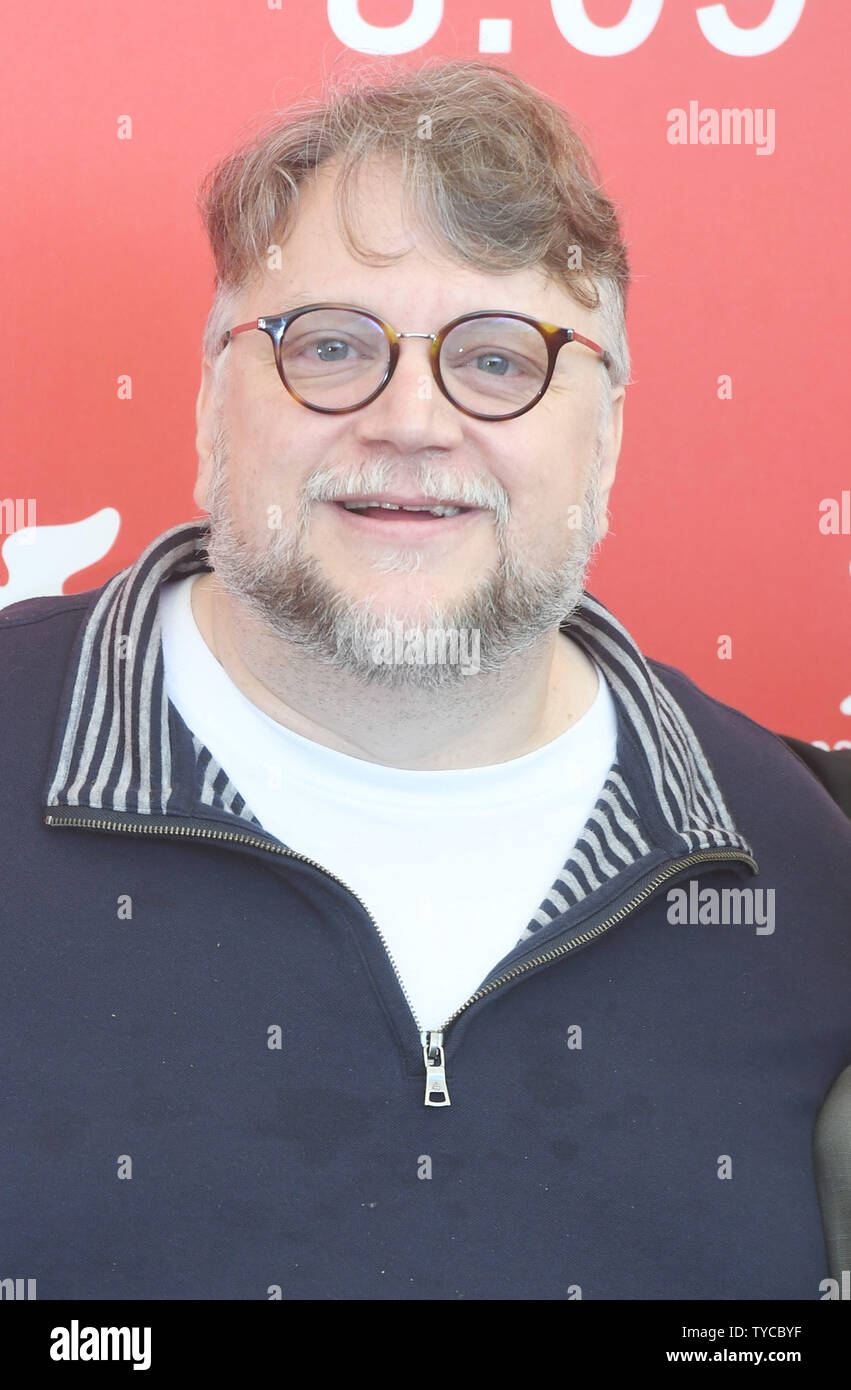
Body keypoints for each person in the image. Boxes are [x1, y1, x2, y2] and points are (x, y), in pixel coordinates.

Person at [2, 58, 849, 1302]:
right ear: (207, 400)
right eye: (330, 345)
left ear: (605, 431)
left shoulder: (811, 859)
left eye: (499, 360)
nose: (410, 419)